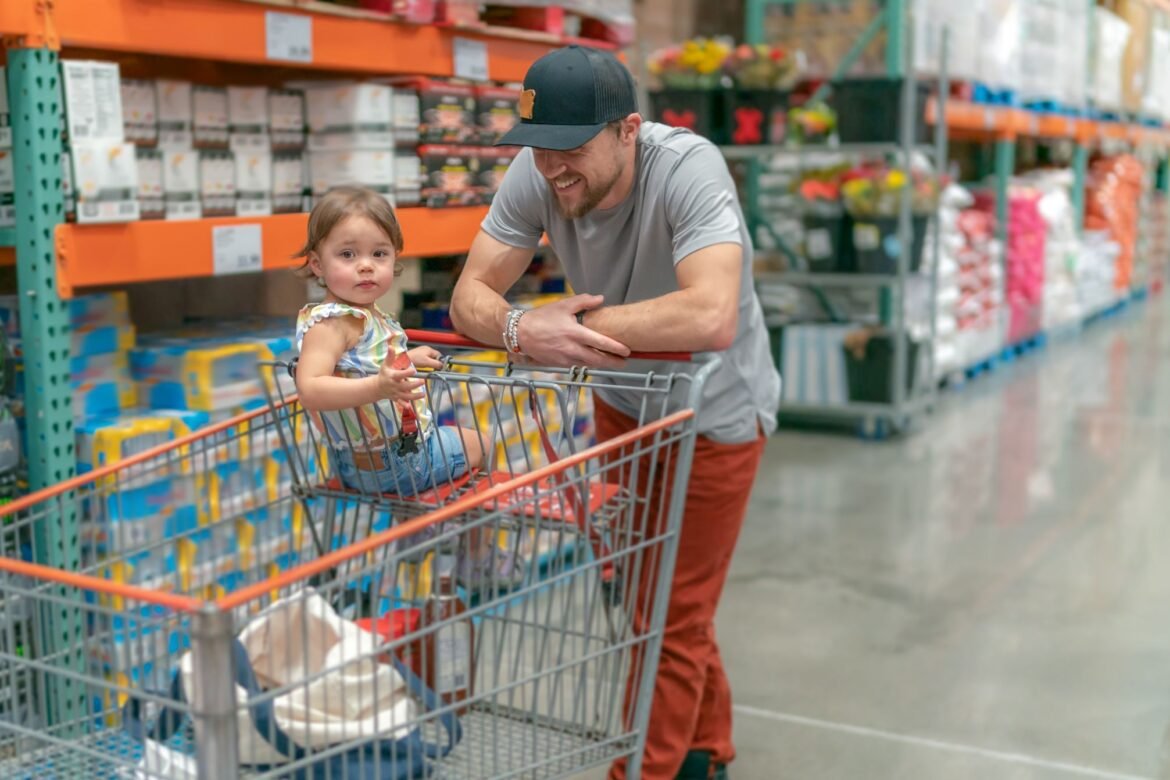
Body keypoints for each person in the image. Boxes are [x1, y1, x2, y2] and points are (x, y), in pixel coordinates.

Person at [449, 45, 780, 780]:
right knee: (643, 591)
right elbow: (468, 296)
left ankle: (643, 769)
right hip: (624, 406)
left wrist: (567, 331)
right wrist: (519, 327)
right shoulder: (537, 170)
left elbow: (712, 314)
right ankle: (706, 750)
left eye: (570, 147)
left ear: (629, 130)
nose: (551, 167)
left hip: (715, 415)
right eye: (538, 147)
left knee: (670, 614)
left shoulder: (688, 169)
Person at [294, 185, 517, 587]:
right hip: (398, 464)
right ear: (316, 264)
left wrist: (406, 359)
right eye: (348, 255)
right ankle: (477, 555)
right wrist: (378, 388)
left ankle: (416, 527)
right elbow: (310, 387)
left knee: (451, 442)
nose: (366, 266)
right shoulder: (333, 323)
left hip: (356, 464)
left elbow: (360, 366)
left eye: (379, 254)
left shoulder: (362, 316)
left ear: (395, 258)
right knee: (482, 445)